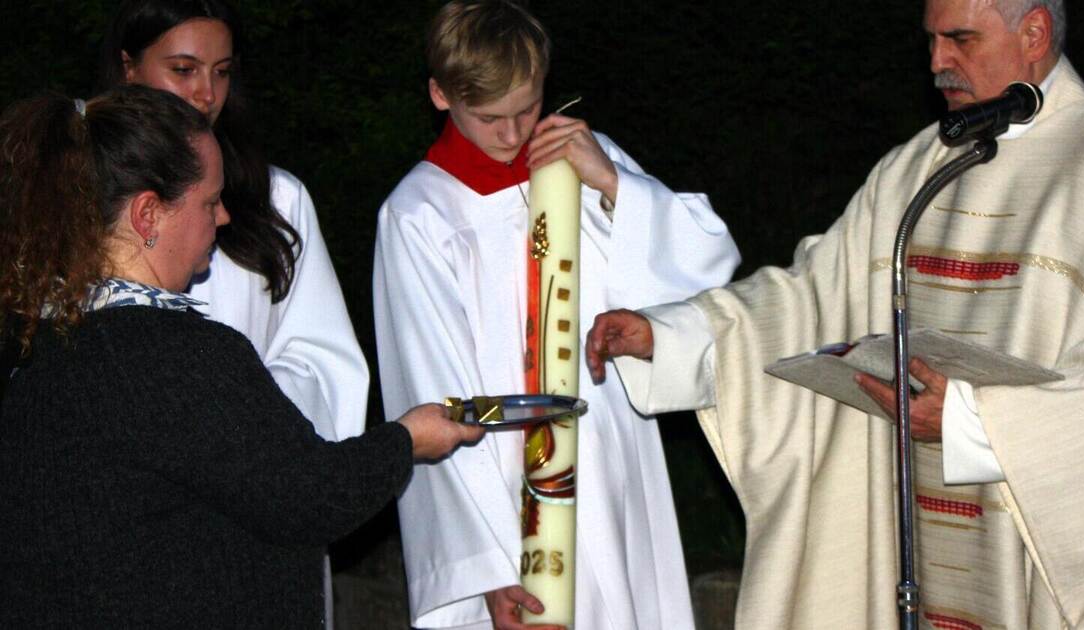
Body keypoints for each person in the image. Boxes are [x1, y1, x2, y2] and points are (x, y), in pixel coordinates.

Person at [587, 1, 1084, 628]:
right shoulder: (919, 168)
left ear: (1035, 33)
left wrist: (966, 422)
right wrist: (674, 334)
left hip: (1032, 552)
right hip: (918, 541)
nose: (937, 63)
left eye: (960, 39)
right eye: (931, 40)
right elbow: (813, 298)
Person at [0, 85, 484, 628]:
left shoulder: (41, 344)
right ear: (147, 215)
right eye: (209, 201)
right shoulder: (172, 354)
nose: (225, 217)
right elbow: (309, 496)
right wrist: (407, 439)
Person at [372, 2, 741, 628]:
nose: (514, 135)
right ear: (440, 94)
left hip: (611, 455)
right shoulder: (419, 214)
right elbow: (430, 386)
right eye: (489, 117)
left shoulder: (584, 158)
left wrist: (611, 183)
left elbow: (709, 264)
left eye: (528, 108)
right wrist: (487, 569)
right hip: (504, 487)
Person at [99, 0, 368, 444]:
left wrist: (231, 424)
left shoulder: (277, 198)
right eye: (184, 69)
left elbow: (322, 359)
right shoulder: (80, 191)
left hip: (257, 467)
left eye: (221, 72)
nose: (206, 94)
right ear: (129, 67)